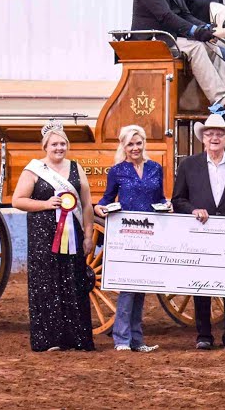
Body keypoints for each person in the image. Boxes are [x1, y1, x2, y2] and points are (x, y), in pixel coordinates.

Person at [10, 122, 97, 352]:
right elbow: (17, 200)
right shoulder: (34, 170)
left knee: (74, 282)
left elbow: (86, 204)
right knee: (47, 286)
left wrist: (88, 235)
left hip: (74, 236)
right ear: (45, 146)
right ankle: (49, 340)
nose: (59, 148)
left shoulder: (77, 168)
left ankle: (77, 339)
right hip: (43, 238)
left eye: (62, 143)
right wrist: (46, 204)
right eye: (54, 144)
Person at [172, 113, 225, 350]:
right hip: (202, 234)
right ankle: (204, 335)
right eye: (210, 134)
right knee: (201, 285)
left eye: (219, 134)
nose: (215, 138)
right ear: (203, 138)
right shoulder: (189, 165)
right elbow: (178, 199)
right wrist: (193, 210)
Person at [93, 125, 167, 352]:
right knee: (127, 288)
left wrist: (167, 206)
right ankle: (122, 339)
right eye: (130, 144)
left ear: (144, 143)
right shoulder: (117, 171)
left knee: (141, 287)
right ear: (123, 147)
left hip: (150, 234)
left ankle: (137, 340)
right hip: (127, 236)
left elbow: (160, 198)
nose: (135, 148)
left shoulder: (155, 168)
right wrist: (99, 210)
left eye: (138, 143)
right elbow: (106, 199)